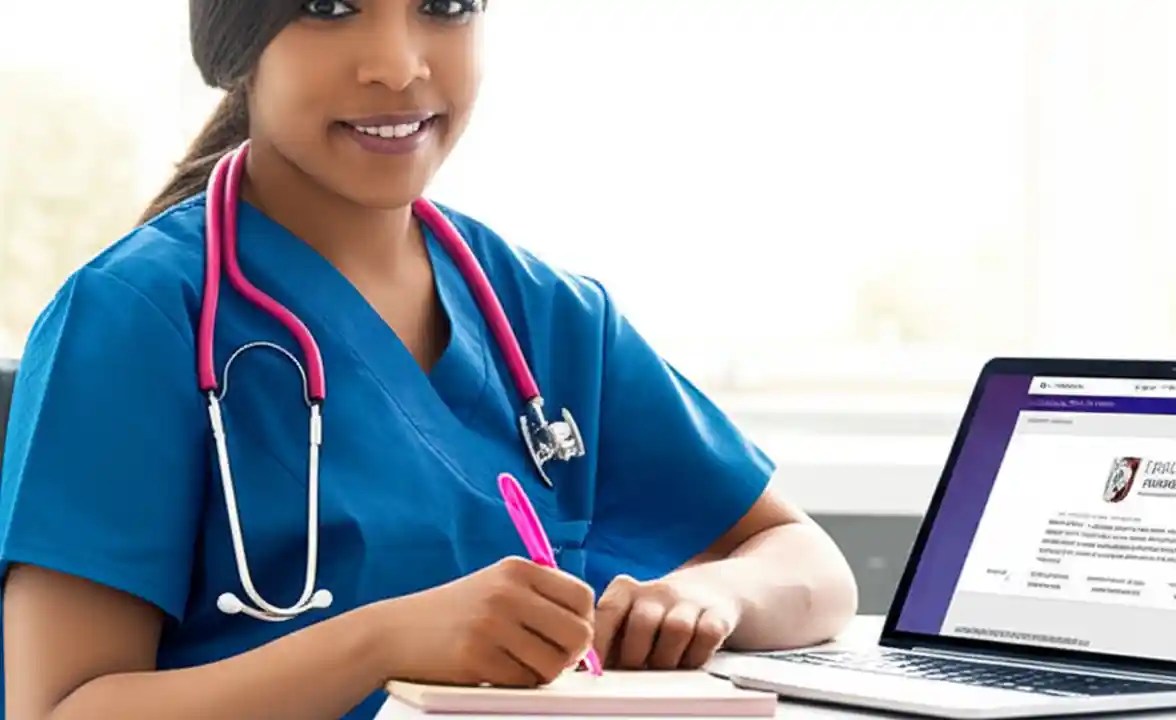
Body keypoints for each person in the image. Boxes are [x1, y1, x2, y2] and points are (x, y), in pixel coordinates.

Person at [0, 1, 857, 718]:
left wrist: (717, 597)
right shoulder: (130, 319)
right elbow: (62, 707)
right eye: (331, 7)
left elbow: (806, 563)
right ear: (235, 43)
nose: (399, 65)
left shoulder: (548, 314)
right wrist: (383, 643)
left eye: (444, 5)